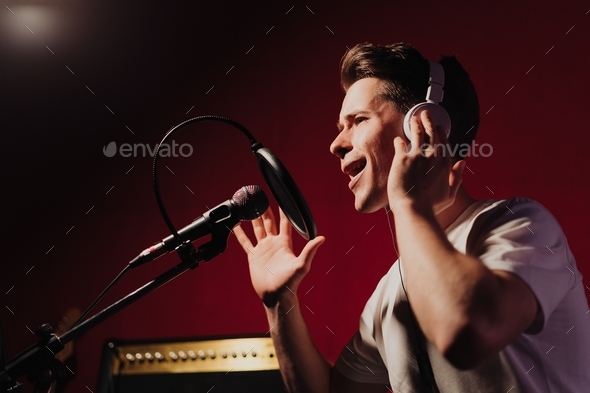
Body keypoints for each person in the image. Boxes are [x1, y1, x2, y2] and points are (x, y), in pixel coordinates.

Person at [234, 42, 590, 392]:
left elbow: (469, 332)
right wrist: (280, 302)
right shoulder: (390, 293)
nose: (336, 144)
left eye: (357, 121)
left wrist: (407, 201)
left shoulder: (521, 226)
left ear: (422, 124)